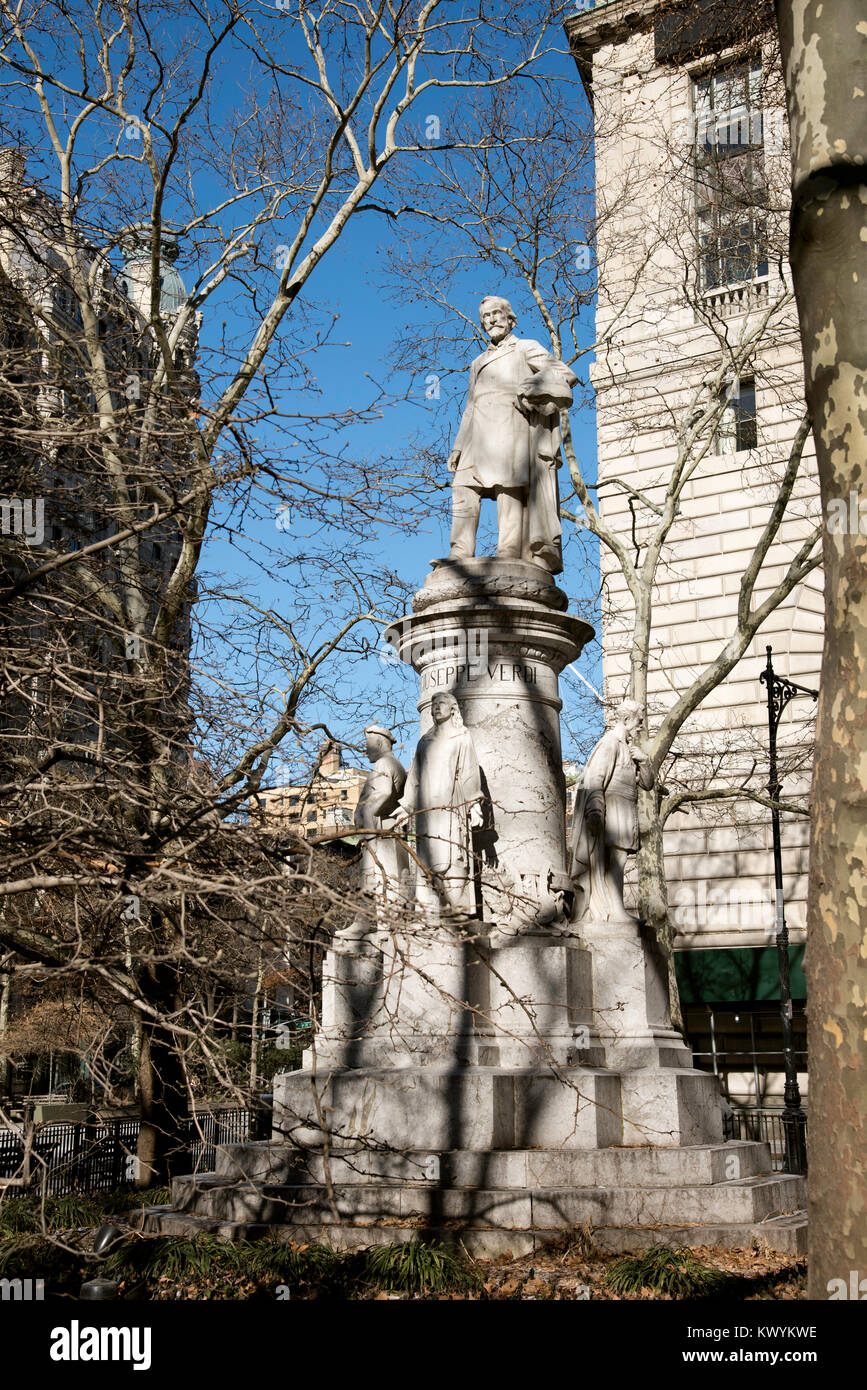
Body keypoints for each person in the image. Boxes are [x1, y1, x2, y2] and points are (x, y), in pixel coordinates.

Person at [447, 295, 577, 574]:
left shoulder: (525, 347)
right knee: (463, 487)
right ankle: (458, 554)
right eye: (485, 317)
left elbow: (564, 374)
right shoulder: (478, 362)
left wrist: (529, 390)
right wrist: (458, 447)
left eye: (496, 313)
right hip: (476, 434)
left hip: (511, 426)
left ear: (509, 318)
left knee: (508, 488)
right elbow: (470, 406)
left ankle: (508, 552)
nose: (491, 320)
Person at [394, 693, 484, 916]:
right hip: (426, 809)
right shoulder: (425, 741)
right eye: (433, 705)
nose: (435, 708)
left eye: (441, 704)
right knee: (427, 853)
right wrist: (405, 806)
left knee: (454, 854)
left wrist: (474, 804)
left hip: (451, 805)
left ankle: (456, 908)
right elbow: (415, 776)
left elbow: (468, 772)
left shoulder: (462, 737)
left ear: (453, 709)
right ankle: (429, 906)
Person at [569, 699, 654, 921]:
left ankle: (616, 909)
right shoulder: (610, 743)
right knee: (615, 861)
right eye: (639, 721)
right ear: (626, 720)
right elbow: (595, 777)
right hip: (613, 808)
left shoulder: (629, 747)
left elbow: (647, 784)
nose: (641, 726)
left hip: (626, 809)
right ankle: (615, 911)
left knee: (619, 860)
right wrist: (596, 810)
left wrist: (644, 761)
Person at [335, 724, 407, 942]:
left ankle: (374, 924)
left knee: (379, 879)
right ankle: (366, 922)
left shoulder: (385, 763)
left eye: (367, 745)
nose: (365, 750)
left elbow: (384, 791)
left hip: (380, 832)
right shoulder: (392, 764)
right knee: (373, 880)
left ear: (379, 743)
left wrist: (365, 814)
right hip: (381, 833)